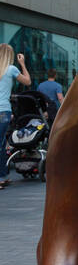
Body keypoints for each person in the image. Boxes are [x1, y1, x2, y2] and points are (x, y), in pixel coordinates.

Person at [0, 44, 32, 189]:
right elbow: (28, 82)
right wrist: (22, 64)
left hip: (4, 112)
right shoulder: (11, 69)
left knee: (1, 145)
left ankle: (2, 176)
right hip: (3, 111)